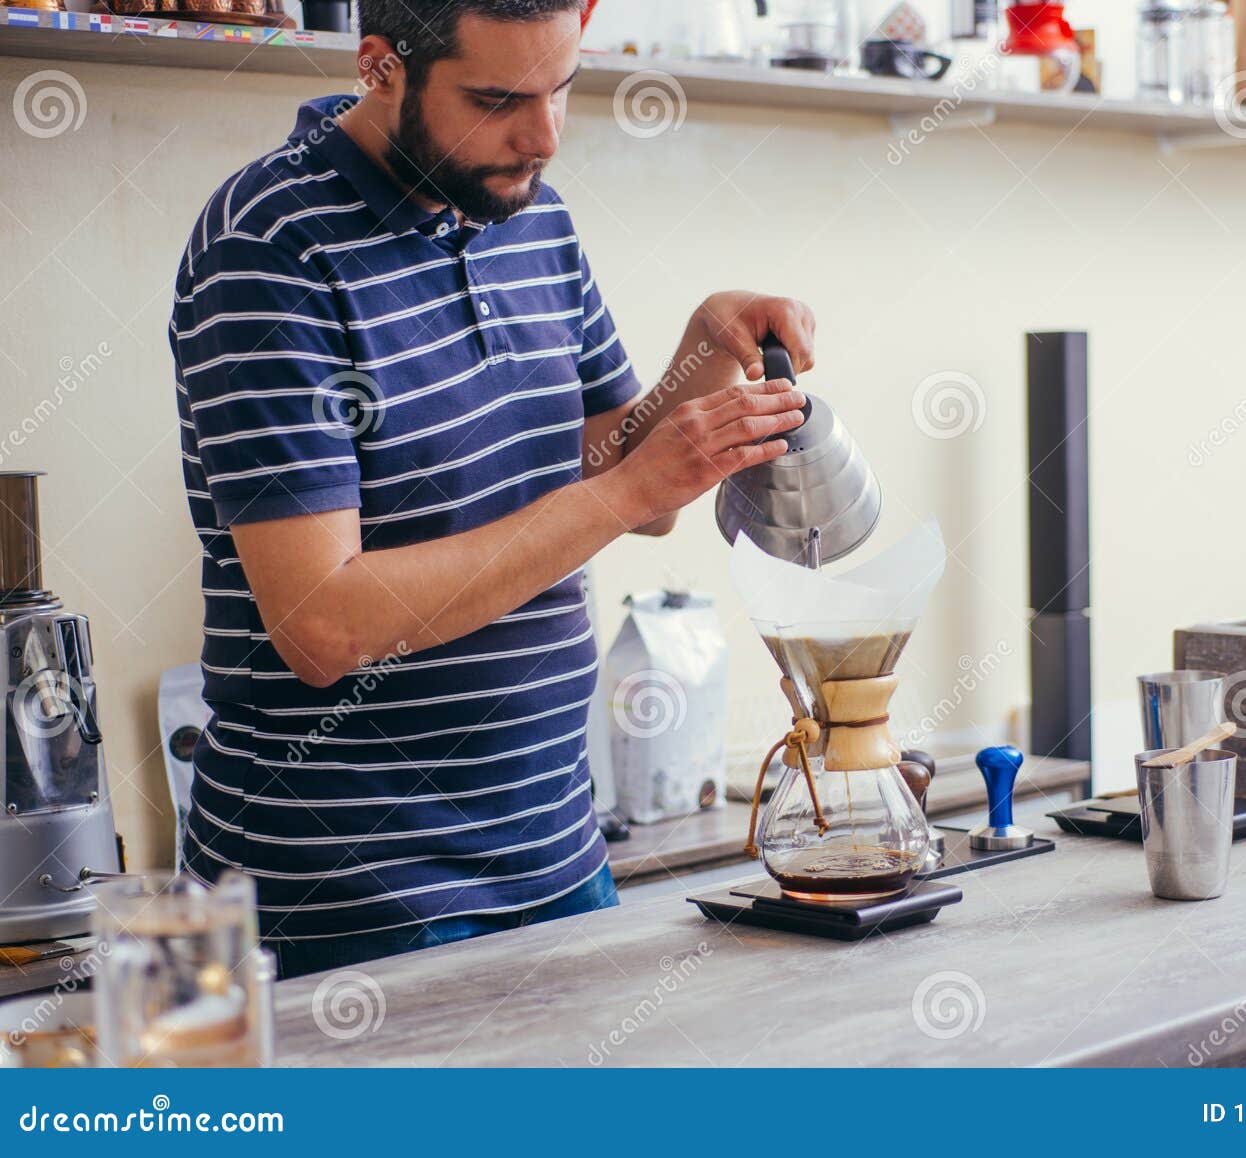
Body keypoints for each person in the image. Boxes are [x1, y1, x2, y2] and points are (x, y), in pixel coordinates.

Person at [169, 0, 814, 979]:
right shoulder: (268, 245)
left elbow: (625, 485)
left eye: (562, 89)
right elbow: (322, 626)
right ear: (381, 67)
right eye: (498, 98)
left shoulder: (531, 212)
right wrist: (625, 490)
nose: (544, 135)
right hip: (348, 904)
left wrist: (701, 353)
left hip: (558, 862)